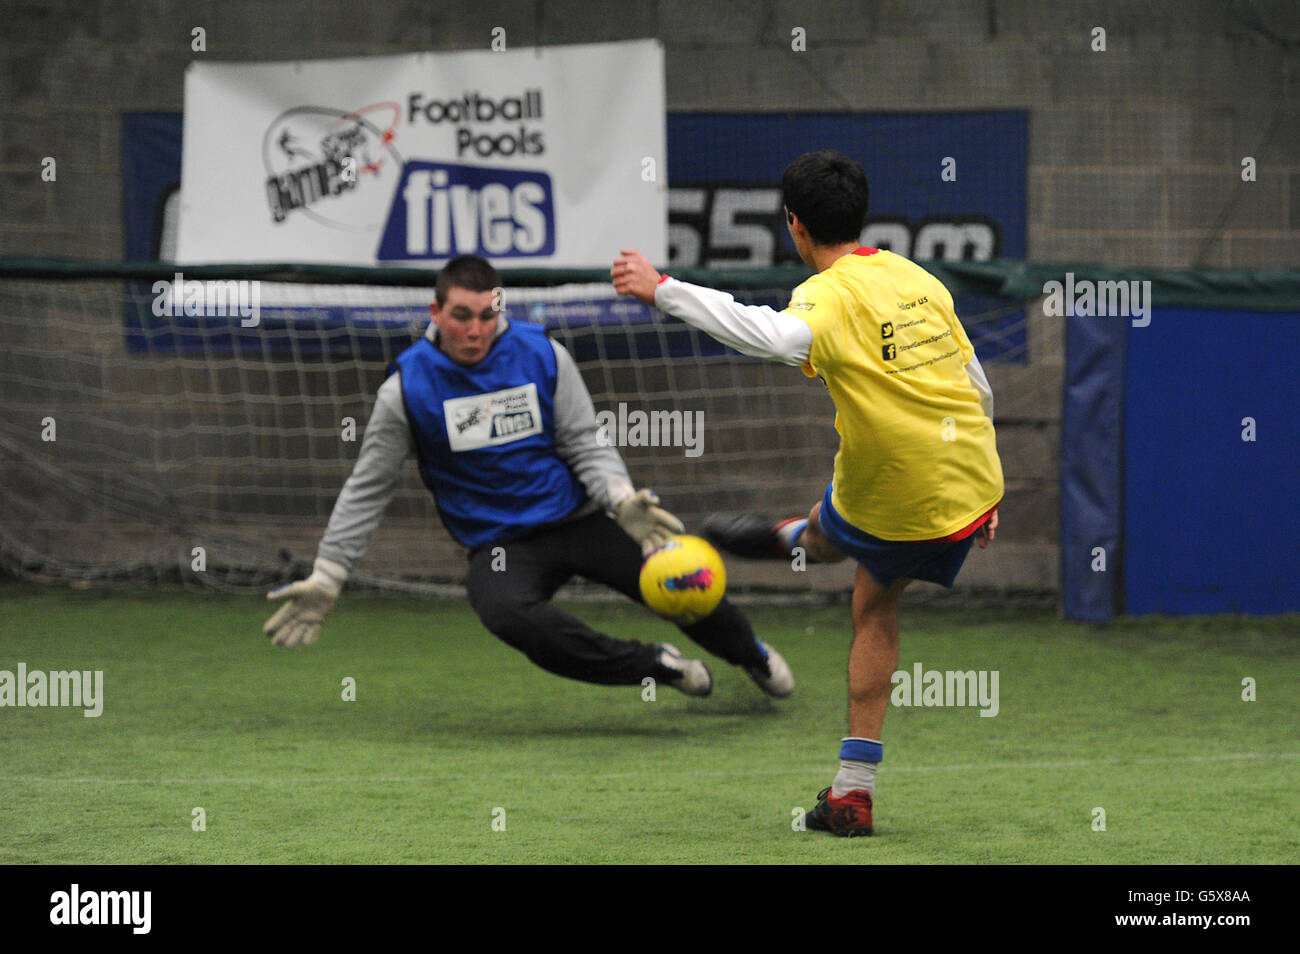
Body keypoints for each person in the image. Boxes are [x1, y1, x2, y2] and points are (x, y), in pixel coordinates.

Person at [612, 149, 1003, 835]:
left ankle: (852, 794)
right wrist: (985, 495)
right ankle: (804, 536)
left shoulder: (824, 296)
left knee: (869, 600)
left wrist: (661, 288)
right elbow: (978, 388)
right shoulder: (919, 278)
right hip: (969, 480)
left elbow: (767, 336)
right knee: (861, 560)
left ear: (794, 224)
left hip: (892, 490)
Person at [263, 254, 794, 702]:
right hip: (500, 545)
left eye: (486, 316)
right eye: (461, 316)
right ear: (435, 311)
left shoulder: (543, 354)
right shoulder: (405, 388)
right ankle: (658, 667)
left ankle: (749, 653)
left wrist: (619, 497)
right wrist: (330, 573)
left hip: (579, 517)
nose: (474, 330)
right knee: (511, 617)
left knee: (677, 573)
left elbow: (585, 439)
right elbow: (368, 487)